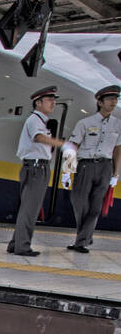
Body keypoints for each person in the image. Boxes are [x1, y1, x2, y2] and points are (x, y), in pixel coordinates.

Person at [8, 85, 72, 256]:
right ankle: (22, 247)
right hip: (35, 168)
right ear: (38, 103)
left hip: (38, 168)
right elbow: (38, 138)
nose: (53, 103)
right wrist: (62, 144)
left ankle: (15, 244)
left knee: (28, 209)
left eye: (54, 100)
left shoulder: (40, 120)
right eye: (50, 100)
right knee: (30, 210)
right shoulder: (35, 120)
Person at [63, 84, 121, 253]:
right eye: (110, 99)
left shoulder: (118, 124)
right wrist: (67, 172)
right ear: (100, 102)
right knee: (80, 203)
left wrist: (115, 174)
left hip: (105, 167)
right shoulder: (85, 123)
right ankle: (85, 237)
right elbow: (72, 146)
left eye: (115, 99)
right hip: (85, 166)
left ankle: (81, 242)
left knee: (96, 207)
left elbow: (118, 150)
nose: (113, 102)